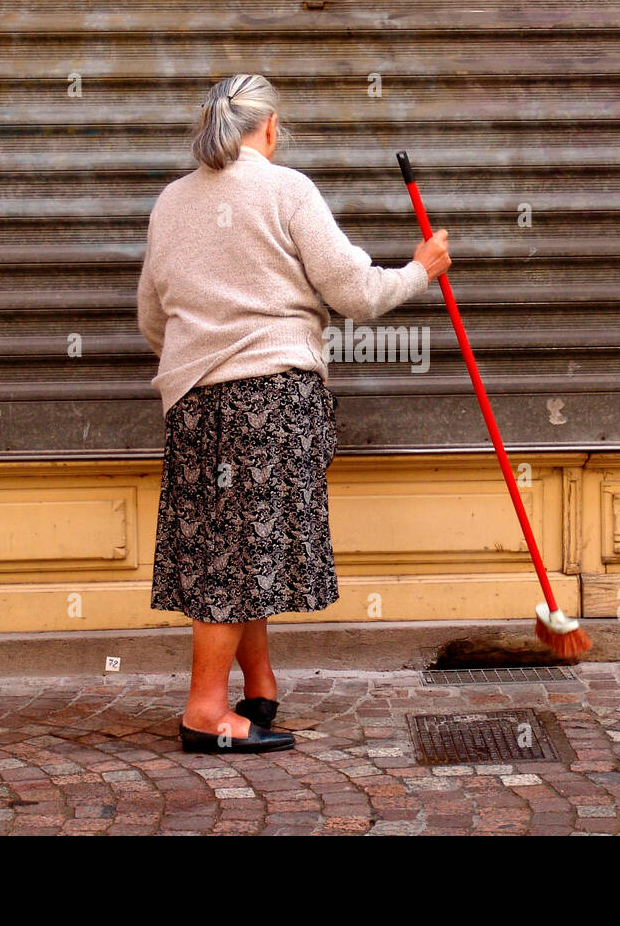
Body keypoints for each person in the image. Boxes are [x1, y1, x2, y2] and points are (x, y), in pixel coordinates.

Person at [137, 73, 452, 753]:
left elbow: (152, 317)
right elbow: (356, 292)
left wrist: (203, 356)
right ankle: (205, 712)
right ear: (270, 127)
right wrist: (421, 269)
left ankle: (259, 686)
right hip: (270, 398)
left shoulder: (171, 201)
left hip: (194, 402)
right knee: (235, 553)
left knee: (230, 546)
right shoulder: (286, 190)